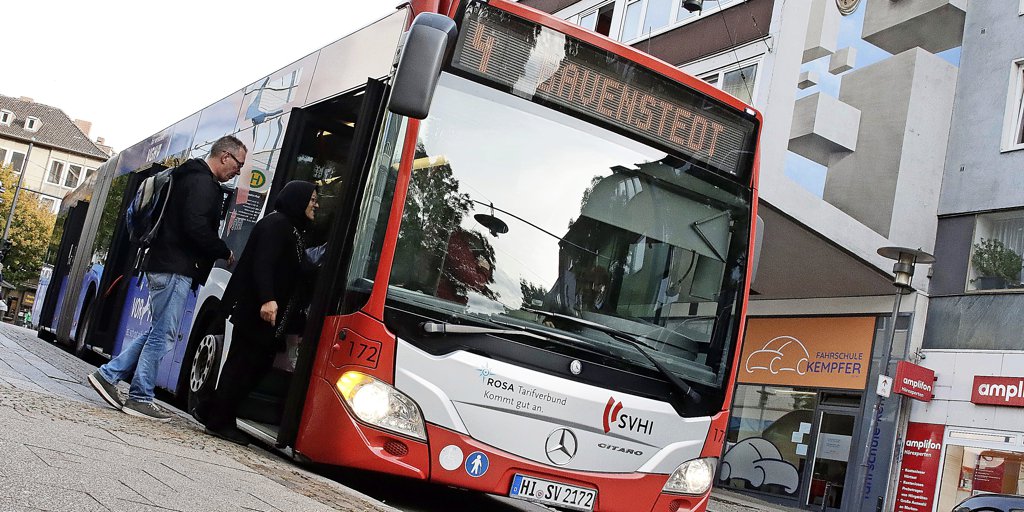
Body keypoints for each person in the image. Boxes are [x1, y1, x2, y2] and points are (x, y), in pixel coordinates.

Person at [87, 136, 245, 421]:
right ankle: (139, 396)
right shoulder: (202, 183)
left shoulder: (189, 176)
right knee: (164, 334)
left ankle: (108, 375)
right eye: (238, 164)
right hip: (175, 266)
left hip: (165, 263)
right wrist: (223, 250)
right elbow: (194, 226)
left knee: (158, 331)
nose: (239, 171)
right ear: (224, 156)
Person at [198, 180, 317, 444]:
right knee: (243, 365)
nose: (316, 205)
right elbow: (262, 264)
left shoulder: (291, 229)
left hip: (269, 316)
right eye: (312, 200)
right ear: (297, 200)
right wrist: (267, 299)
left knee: (254, 365)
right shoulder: (277, 225)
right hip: (257, 312)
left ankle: (213, 410)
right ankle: (218, 420)